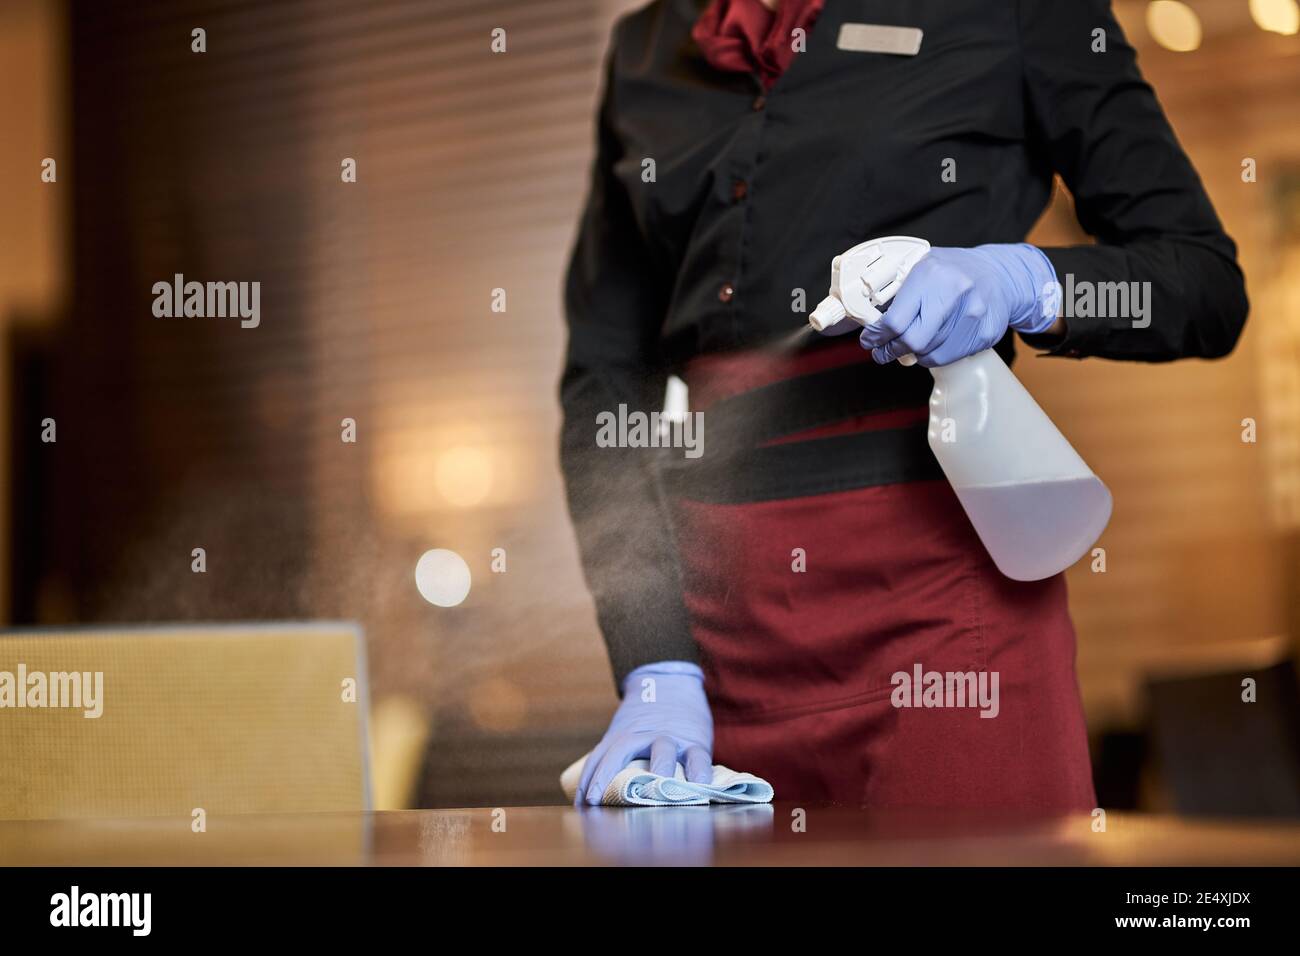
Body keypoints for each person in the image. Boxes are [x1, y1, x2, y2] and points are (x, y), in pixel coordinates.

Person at [560, 0, 1247, 809]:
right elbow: (602, 385)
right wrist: (653, 660)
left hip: (946, 615)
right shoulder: (641, 49)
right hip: (713, 649)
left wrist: (1024, 282)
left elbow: (1204, 287)